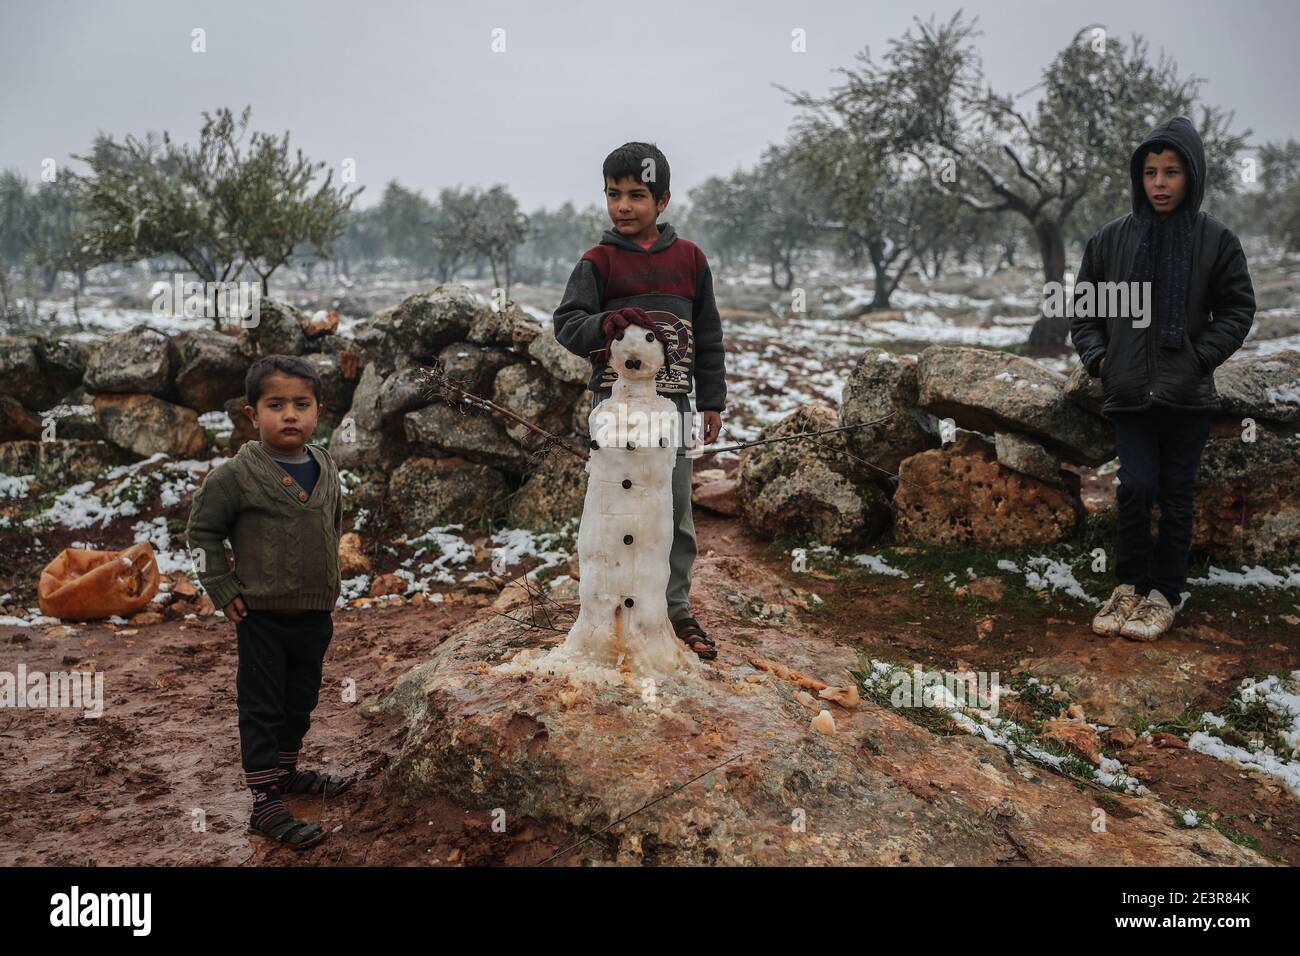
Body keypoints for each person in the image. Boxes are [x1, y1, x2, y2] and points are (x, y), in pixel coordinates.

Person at [1071, 116, 1255, 641]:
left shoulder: (1217, 241)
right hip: (1128, 393)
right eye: (1150, 171)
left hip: (1187, 395)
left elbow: (1238, 309)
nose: (1159, 182)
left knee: (1177, 494)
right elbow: (1084, 311)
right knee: (1134, 487)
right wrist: (1103, 361)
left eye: (1171, 171)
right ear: (1138, 177)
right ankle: (1129, 585)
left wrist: (1200, 357)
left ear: (1191, 176)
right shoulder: (1110, 240)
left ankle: (1165, 595)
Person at [553, 141, 728, 659]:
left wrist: (712, 399)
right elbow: (567, 324)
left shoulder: (690, 260)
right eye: (613, 194)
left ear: (664, 200)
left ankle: (671, 611)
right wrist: (602, 325)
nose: (623, 206)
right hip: (615, 410)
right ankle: (609, 608)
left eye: (637, 195)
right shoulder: (597, 262)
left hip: (673, 410)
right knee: (614, 504)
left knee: (671, 510)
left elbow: (709, 334)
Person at [186, 355, 350, 849]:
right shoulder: (236, 476)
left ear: (318, 411)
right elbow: (202, 532)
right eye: (275, 405)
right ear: (252, 414)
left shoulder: (325, 466)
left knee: (300, 702)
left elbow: (332, 525)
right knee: (263, 708)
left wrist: (326, 584)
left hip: (314, 615)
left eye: (301, 404)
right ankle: (264, 802)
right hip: (261, 618)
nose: (289, 415)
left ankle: (285, 774)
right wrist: (222, 587)